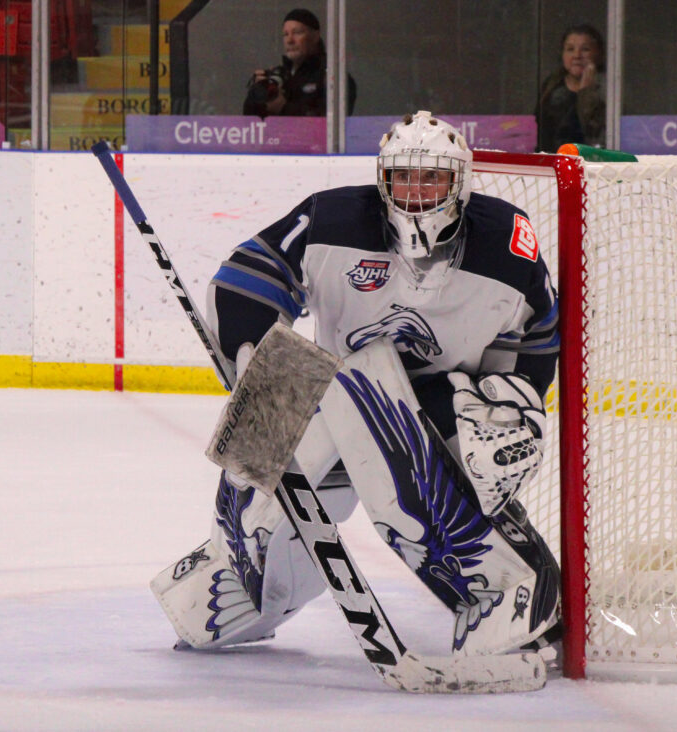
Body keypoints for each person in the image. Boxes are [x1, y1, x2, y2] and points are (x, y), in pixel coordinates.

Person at [152, 111, 562, 660]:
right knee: (261, 472)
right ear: (382, 179)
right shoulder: (334, 219)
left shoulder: (505, 244)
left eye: (432, 179)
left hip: (442, 406)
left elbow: (539, 331)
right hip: (339, 392)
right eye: (403, 178)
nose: (416, 193)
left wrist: (516, 398)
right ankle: (243, 586)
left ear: (459, 184)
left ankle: (507, 587)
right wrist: (254, 354)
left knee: (440, 477)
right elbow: (248, 277)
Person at [242, 8, 356, 117]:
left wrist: (284, 107)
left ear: (315, 36)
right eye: (285, 34)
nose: (290, 40)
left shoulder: (331, 77)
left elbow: (330, 125)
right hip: (274, 137)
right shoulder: (281, 75)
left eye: (297, 32)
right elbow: (248, 122)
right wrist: (258, 92)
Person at [535, 23, 606, 153]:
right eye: (570, 49)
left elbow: (596, 134)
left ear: (599, 53)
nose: (577, 55)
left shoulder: (609, 88)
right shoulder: (552, 86)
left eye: (585, 49)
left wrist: (586, 93)